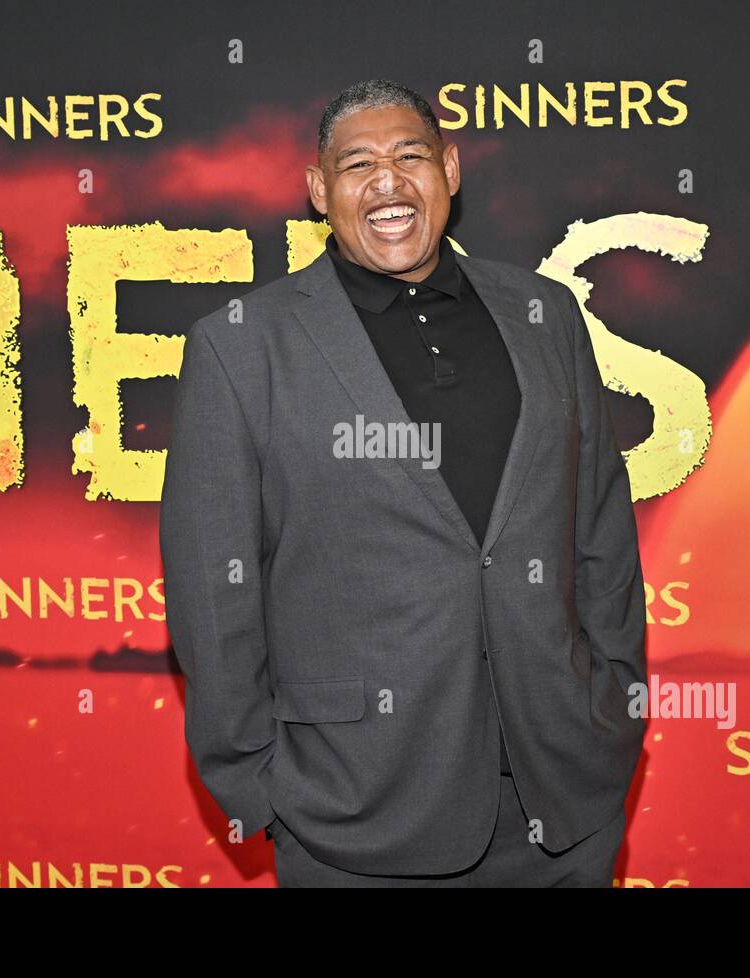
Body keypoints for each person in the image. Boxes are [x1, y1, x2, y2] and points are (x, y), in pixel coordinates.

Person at [160, 79, 646, 887]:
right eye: (357, 165)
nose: (387, 181)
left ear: (450, 171)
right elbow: (213, 591)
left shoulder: (544, 314)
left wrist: (613, 710)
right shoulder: (244, 348)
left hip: (563, 802)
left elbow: (600, 527)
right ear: (320, 192)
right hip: (355, 814)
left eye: (410, 155)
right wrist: (261, 787)